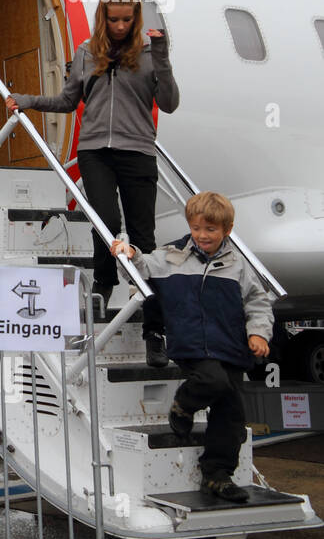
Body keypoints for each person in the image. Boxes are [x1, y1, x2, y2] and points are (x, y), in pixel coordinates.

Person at [5, 0, 179, 364]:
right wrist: (29, 101)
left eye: (126, 19)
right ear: (103, 17)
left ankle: (155, 330)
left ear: (135, 20)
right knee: (104, 219)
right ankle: (105, 278)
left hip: (137, 152)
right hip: (95, 150)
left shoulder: (150, 56)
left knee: (144, 239)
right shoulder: (86, 53)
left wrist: (163, 57)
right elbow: (69, 101)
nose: (119, 26)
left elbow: (169, 103)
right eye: (113, 19)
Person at [110, 191, 272, 502]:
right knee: (213, 381)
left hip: (232, 348)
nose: (202, 235)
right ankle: (184, 404)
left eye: (211, 230)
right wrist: (128, 254)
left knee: (232, 416)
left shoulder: (237, 264)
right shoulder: (173, 257)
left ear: (227, 229)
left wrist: (259, 333)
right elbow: (142, 267)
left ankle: (216, 475)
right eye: (196, 228)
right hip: (193, 347)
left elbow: (257, 301)